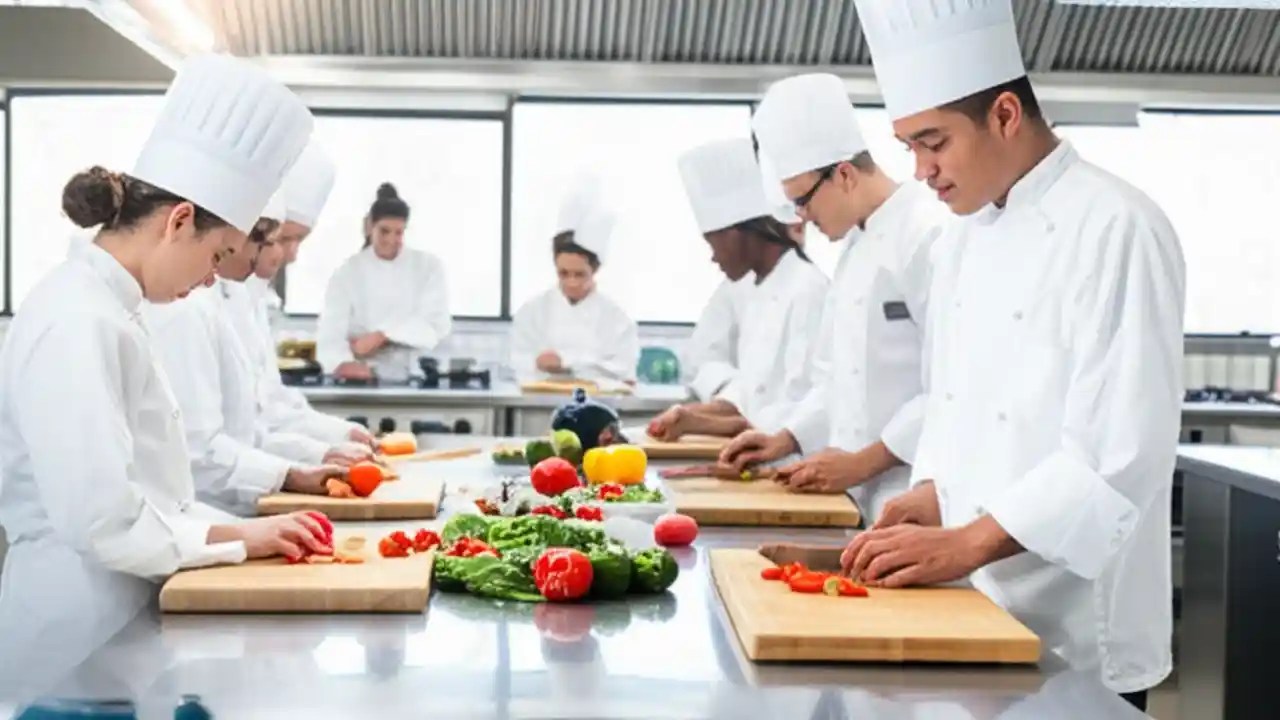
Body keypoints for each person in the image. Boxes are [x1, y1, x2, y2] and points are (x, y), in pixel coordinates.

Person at [841, 1, 1185, 710]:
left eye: (933, 142)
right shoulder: (963, 236)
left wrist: (970, 540)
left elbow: (1122, 452)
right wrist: (934, 496)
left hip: (1080, 625)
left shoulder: (1118, 227)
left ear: (1004, 114)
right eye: (908, 146)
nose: (922, 171)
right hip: (976, 609)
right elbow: (965, 404)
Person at [0, 54, 330, 675]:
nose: (213, 278)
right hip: (69, 636)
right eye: (217, 254)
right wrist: (236, 537)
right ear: (180, 221)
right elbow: (103, 523)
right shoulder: (76, 319)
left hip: (121, 619)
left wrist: (252, 530)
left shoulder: (117, 308)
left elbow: (162, 501)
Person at [720, 73, 949, 522]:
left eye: (802, 201)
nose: (801, 218)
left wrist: (863, 462)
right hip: (854, 493)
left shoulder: (927, 234)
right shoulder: (853, 252)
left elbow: (947, 387)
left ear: (843, 175)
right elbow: (834, 379)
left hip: (915, 490)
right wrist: (786, 438)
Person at [144, 192, 362, 517]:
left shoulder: (229, 299)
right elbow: (198, 451)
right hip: (202, 513)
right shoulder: (184, 310)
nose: (283, 255)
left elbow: (250, 426)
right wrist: (289, 474)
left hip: (223, 512)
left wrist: (317, 454)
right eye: (275, 241)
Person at [650, 138, 827, 440]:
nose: (713, 257)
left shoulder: (807, 289)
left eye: (712, 242)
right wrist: (691, 418)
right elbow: (754, 404)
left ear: (736, 233)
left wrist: (697, 420)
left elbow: (800, 412)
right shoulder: (760, 289)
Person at [244, 142, 377, 449]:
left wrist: (339, 435)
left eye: (299, 240)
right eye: (282, 239)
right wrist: (322, 454)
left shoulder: (251, 298)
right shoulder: (198, 301)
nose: (290, 255)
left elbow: (272, 404)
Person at [317, 183, 452, 382]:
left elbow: (435, 325)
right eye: (384, 231)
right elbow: (331, 332)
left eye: (399, 232)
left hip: (417, 375)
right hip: (364, 378)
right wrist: (342, 363)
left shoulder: (428, 267)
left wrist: (381, 336)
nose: (391, 239)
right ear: (370, 226)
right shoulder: (347, 273)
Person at [510, 178, 639, 384]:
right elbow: (517, 361)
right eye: (563, 273)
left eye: (579, 274)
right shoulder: (532, 311)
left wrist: (567, 362)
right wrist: (537, 363)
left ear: (595, 270)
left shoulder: (616, 318)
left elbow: (624, 369)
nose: (571, 282)